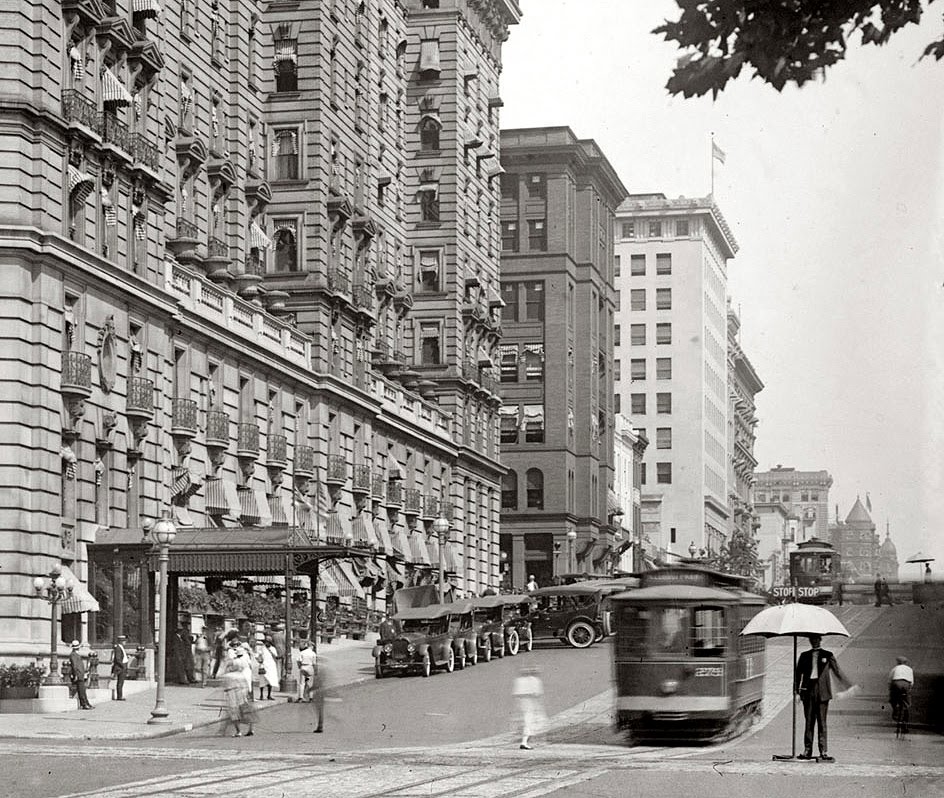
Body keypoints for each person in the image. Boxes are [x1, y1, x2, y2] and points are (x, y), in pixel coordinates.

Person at [794, 634, 853, 762]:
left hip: (823, 692)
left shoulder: (828, 655)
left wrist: (848, 686)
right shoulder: (804, 656)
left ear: (820, 640)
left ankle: (823, 750)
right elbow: (798, 675)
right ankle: (807, 750)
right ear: (809, 641)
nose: (814, 642)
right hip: (808, 691)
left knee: (822, 722)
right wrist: (796, 692)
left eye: (816, 639)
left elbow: (837, 672)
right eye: (812, 640)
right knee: (809, 722)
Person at [220, 642, 256, 737]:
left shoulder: (230, 674)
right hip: (242, 694)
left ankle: (238, 731)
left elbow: (227, 688)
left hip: (233, 697)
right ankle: (251, 729)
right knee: (247, 712)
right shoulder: (241, 673)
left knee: (234, 714)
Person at [512, 663, 546, 749]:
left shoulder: (519, 680)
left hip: (521, 704)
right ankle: (524, 742)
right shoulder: (535, 680)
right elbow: (537, 694)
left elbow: (516, 694)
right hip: (530, 705)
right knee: (529, 723)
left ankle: (525, 740)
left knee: (526, 722)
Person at [888, 656, 914, 733]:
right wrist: (908, 690)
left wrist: (891, 691)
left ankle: (895, 709)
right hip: (906, 684)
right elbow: (912, 682)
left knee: (893, 699)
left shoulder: (895, 669)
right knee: (906, 704)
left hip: (896, 684)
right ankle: (905, 725)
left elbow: (889, 681)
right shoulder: (910, 669)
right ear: (906, 663)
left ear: (898, 662)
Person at [68, 640, 93, 710]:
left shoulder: (76, 654)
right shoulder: (73, 654)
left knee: (83, 689)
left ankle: (86, 703)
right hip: (78, 674)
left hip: (80, 673)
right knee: (81, 690)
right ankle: (84, 704)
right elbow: (75, 665)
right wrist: (75, 674)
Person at [111, 634, 128, 701]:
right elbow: (118, 659)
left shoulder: (121, 647)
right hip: (120, 667)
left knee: (121, 682)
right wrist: (123, 665)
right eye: (124, 641)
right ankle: (119, 696)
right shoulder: (118, 648)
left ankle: (120, 695)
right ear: (121, 641)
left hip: (122, 666)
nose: (125, 642)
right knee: (120, 682)